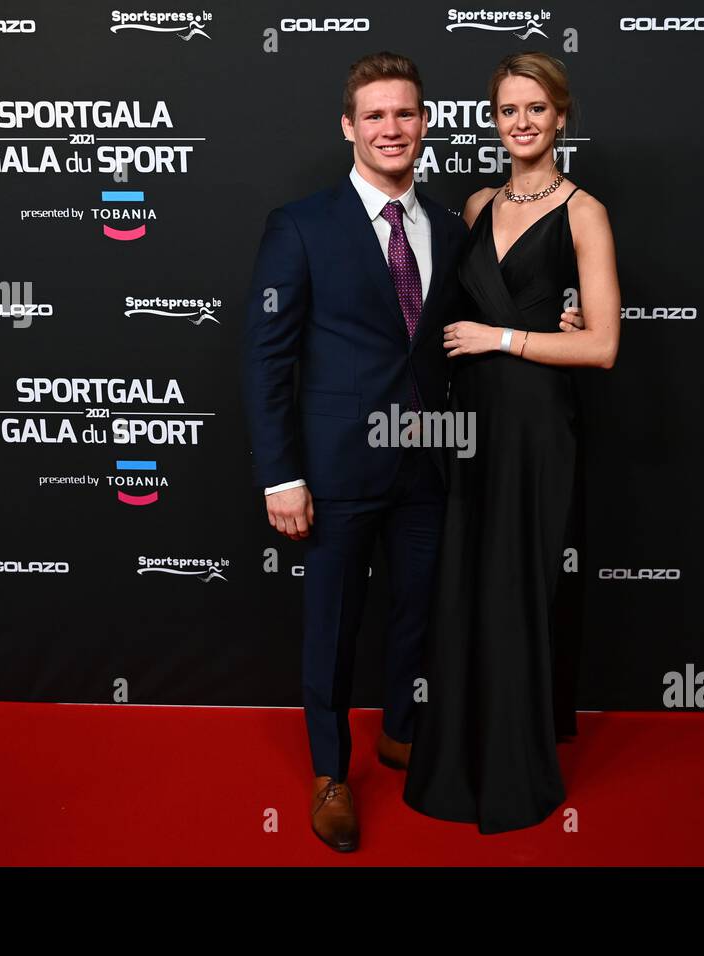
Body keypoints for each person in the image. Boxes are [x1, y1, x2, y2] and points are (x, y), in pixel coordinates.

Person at [242, 51, 585, 852]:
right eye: (375, 116)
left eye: (405, 114)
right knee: (333, 626)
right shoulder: (301, 226)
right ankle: (330, 772)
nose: (392, 129)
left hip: (433, 460)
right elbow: (265, 359)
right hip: (335, 469)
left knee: (420, 612)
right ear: (349, 127)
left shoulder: (453, 223)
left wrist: (559, 324)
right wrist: (281, 475)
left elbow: (491, 311)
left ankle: (402, 729)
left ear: (425, 123)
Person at [403, 51, 621, 834]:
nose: (521, 122)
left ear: (561, 115)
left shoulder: (584, 211)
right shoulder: (474, 206)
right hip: (473, 425)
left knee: (519, 588)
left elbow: (601, 347)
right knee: (468, 586)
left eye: (535, 108)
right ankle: (460, 757)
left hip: (536, 425)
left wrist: (506, 336)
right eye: (507, 110)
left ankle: (516, 768)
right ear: (493, 120)